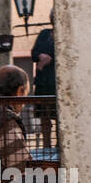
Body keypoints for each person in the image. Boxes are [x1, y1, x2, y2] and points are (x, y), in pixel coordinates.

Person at [30, 9, 56, 153]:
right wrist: (41, 56)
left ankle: (60, 145)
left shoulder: (65, 34)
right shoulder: (44, 34)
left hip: (55, 83)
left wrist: (49, 58)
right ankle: (47, 146)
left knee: (58, 116)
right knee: (44, 116)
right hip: (43, 82)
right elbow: (33, 53)